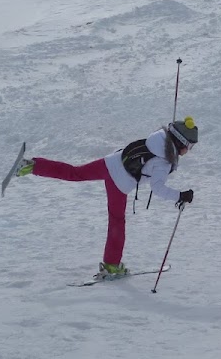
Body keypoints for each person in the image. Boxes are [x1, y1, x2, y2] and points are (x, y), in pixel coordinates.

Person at [12, 117, 200, 280]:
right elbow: (157, 188)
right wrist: (180, 195)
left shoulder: (159, 138)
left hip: (111, 162)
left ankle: (31, 166)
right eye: (189, 146)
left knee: (74, 172)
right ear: (180, 142)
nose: (188, 150)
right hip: (119, 182)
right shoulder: (163, 162)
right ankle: (111, 266)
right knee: (117, 222)